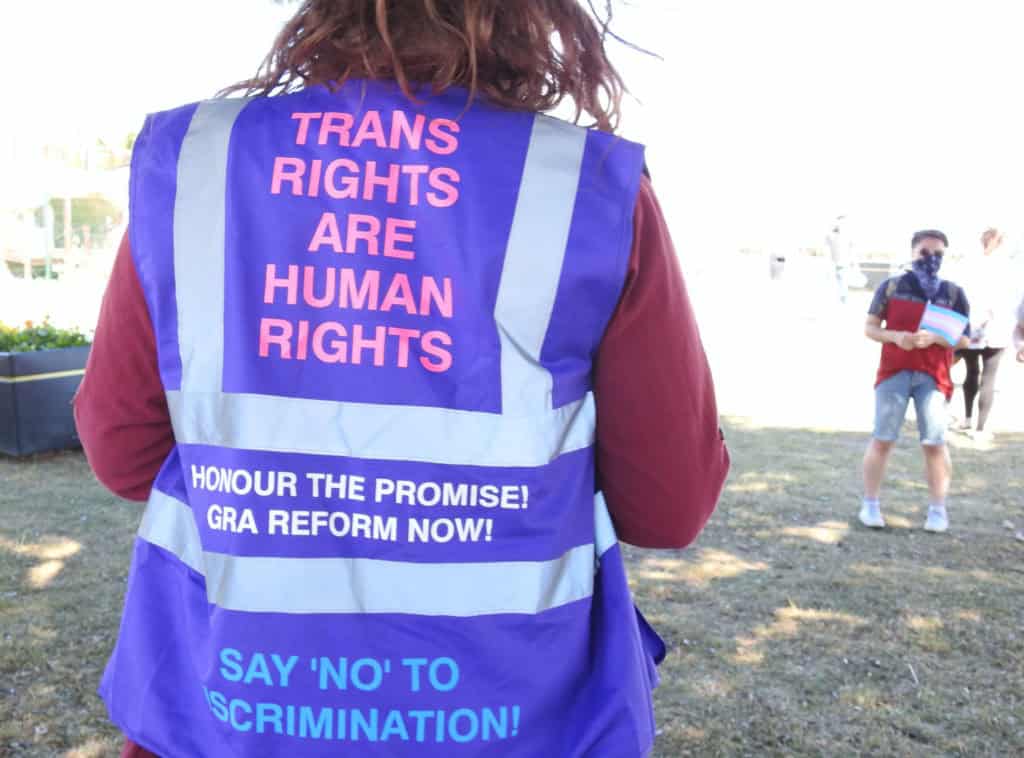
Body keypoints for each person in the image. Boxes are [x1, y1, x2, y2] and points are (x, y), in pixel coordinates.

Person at [73, 3, 730, 757]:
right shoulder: (585, 186)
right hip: (514, 723)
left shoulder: (199, 162)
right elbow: (668, 507)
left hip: (226, 716)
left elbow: (123, 454)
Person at [860, 229, 969, 533]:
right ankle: (870, 504)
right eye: (924, 251)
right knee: (883, 439)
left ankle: (938, 510)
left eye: (938, 253)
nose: (930, 258)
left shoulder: (953, 293)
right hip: (893, 372)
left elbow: (964, 338)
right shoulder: (891, 286)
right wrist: (896, 337)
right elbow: (870, 327)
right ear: (912, 252)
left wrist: (938, 338)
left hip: (934, 377)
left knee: (934, 442)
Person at [953, 228, 1018, 440]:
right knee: (989, 377)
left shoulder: (971, 265)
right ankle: (980, 429)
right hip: (998, 327)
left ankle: (968, 418)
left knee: (971, 372)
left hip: (972, 326)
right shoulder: (1009, 267)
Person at [826, 215, 853, 304]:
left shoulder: (847, 236)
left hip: (843, 262)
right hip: (834, 262)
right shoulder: (831, 235)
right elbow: (827, 246)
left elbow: (851, 248)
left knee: (842, 279)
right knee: (837, 280)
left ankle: (843, 298)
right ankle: (841, 298)